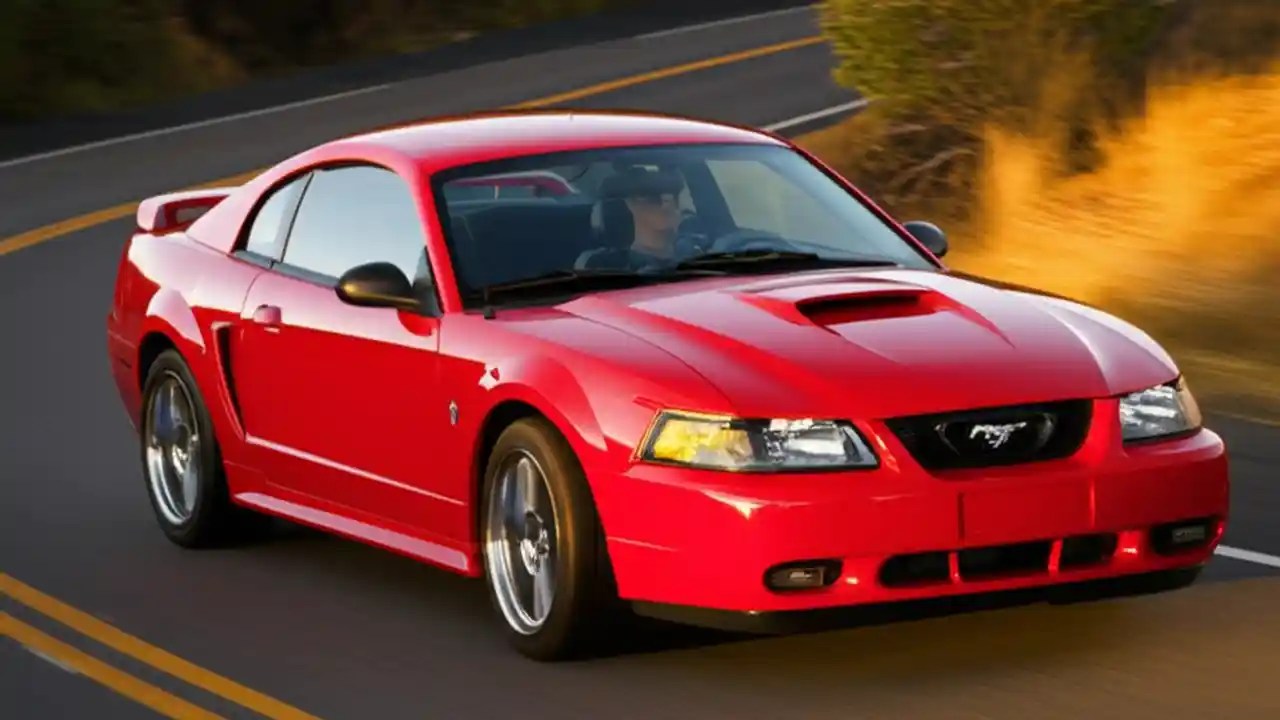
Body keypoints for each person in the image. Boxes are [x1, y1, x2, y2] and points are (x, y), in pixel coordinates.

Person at [576, 166, 693, 270]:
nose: (667, 203)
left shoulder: (697, 253)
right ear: (620, 210)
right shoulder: (600, 266)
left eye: (674, 196)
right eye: (652, 198)